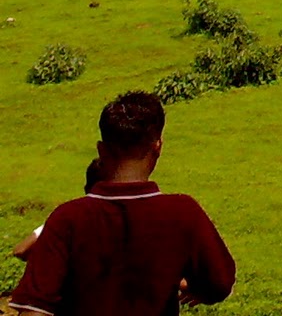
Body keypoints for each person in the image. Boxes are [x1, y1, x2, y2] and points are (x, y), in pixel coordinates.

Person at [7, 91, 234, 316]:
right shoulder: (183, 213)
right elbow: (219, 284)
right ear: (158, 147)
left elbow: (34, 310)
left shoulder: (67, 218)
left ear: (101, 150)